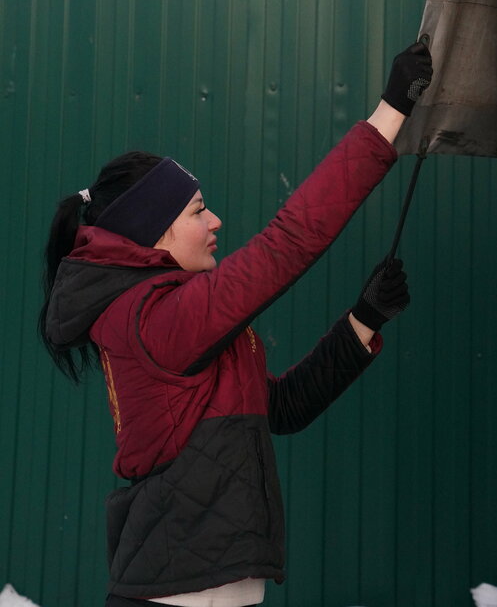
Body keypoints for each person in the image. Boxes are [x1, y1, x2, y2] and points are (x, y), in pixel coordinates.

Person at [40, 42, 432, 607]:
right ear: (154, 233)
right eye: (198, 211)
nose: (215, 220)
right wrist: (389, 113)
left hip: (210, 590)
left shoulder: (172, 315)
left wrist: (363, 320)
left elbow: (282, 407)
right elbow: (288, 243)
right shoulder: (155, 319)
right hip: (179, 595)